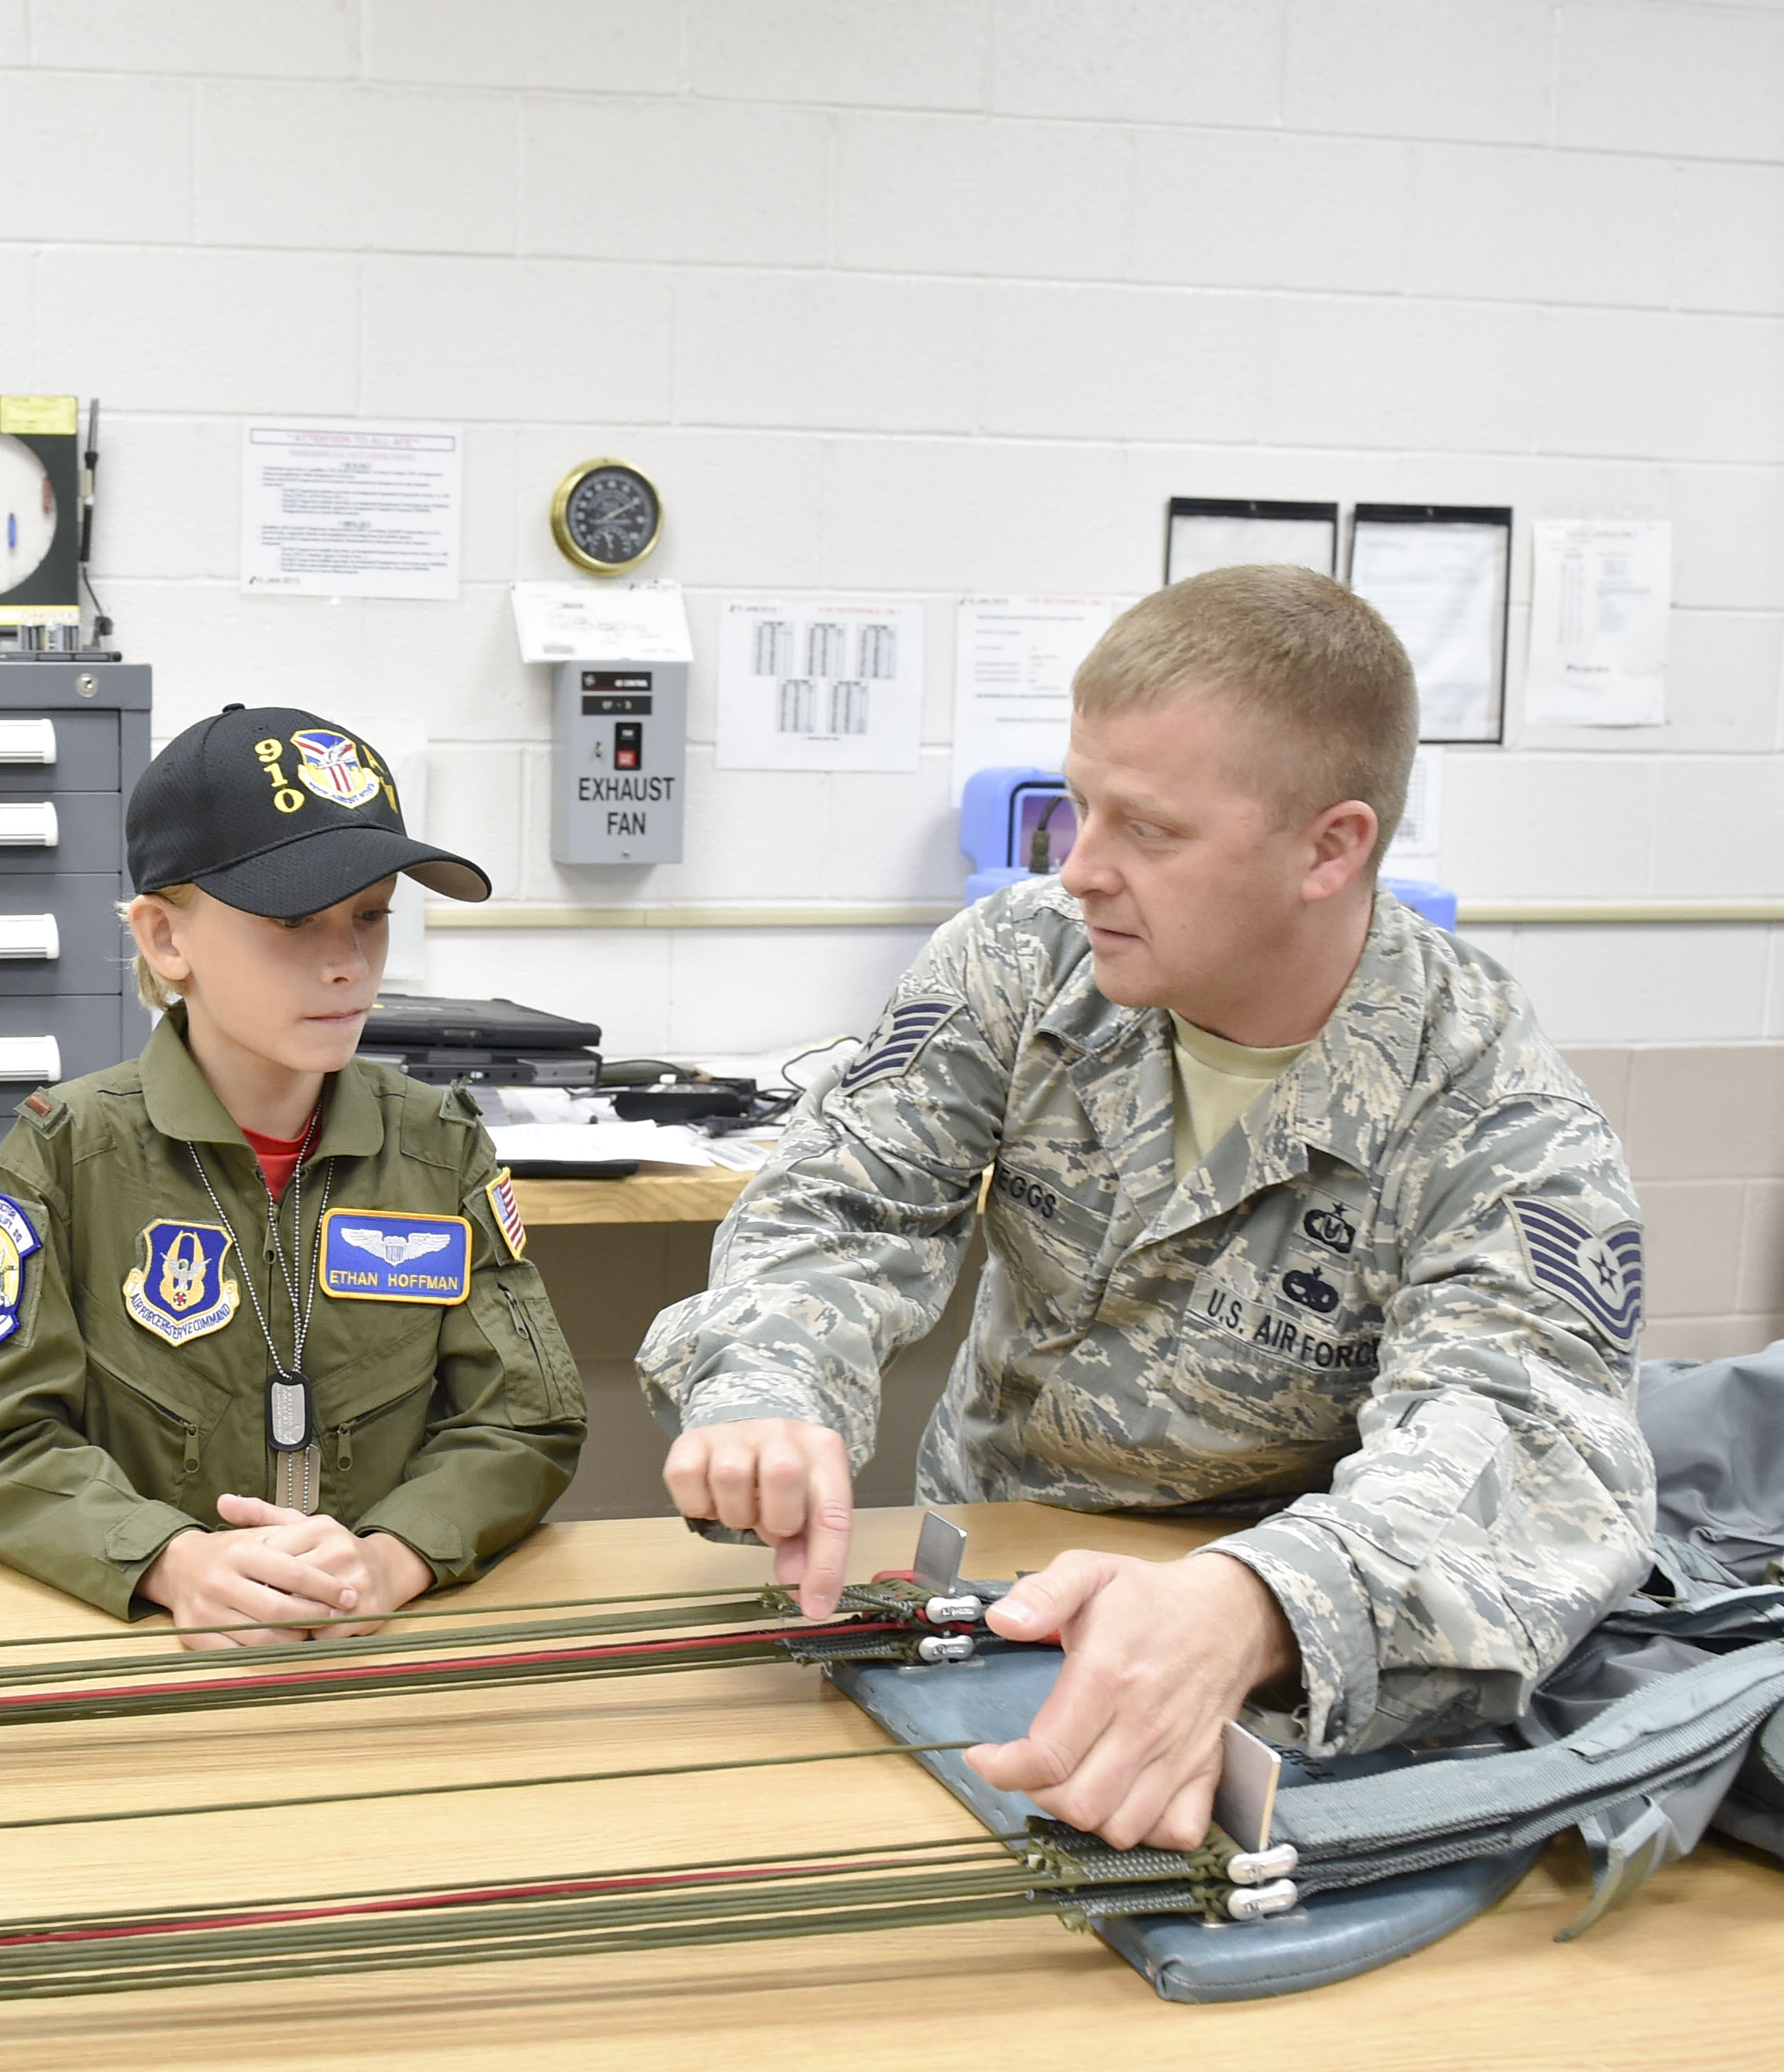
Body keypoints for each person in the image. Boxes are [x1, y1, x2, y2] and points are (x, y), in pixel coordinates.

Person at [640, 567, 1652, 1848]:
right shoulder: (1023, 961)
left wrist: (1258, 1602)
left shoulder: (1489, 1110)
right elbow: (844, 1199)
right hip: (973, 1592)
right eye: (1077, 807)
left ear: (1328, 848)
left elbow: (1525, 1448)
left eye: (1149, 830)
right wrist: (770, 1384)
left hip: (1248, 1655)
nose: (1078, 870)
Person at [0, 704, 590, 1648]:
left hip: (378, 1646)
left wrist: (392, 1557)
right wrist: (167, 1560)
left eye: (370, 915)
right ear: (166, 938)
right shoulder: (66, 1154)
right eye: (291, 920)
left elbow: (525, 1422)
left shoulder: (437, 1148)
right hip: (158, 1652)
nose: (347, 962)